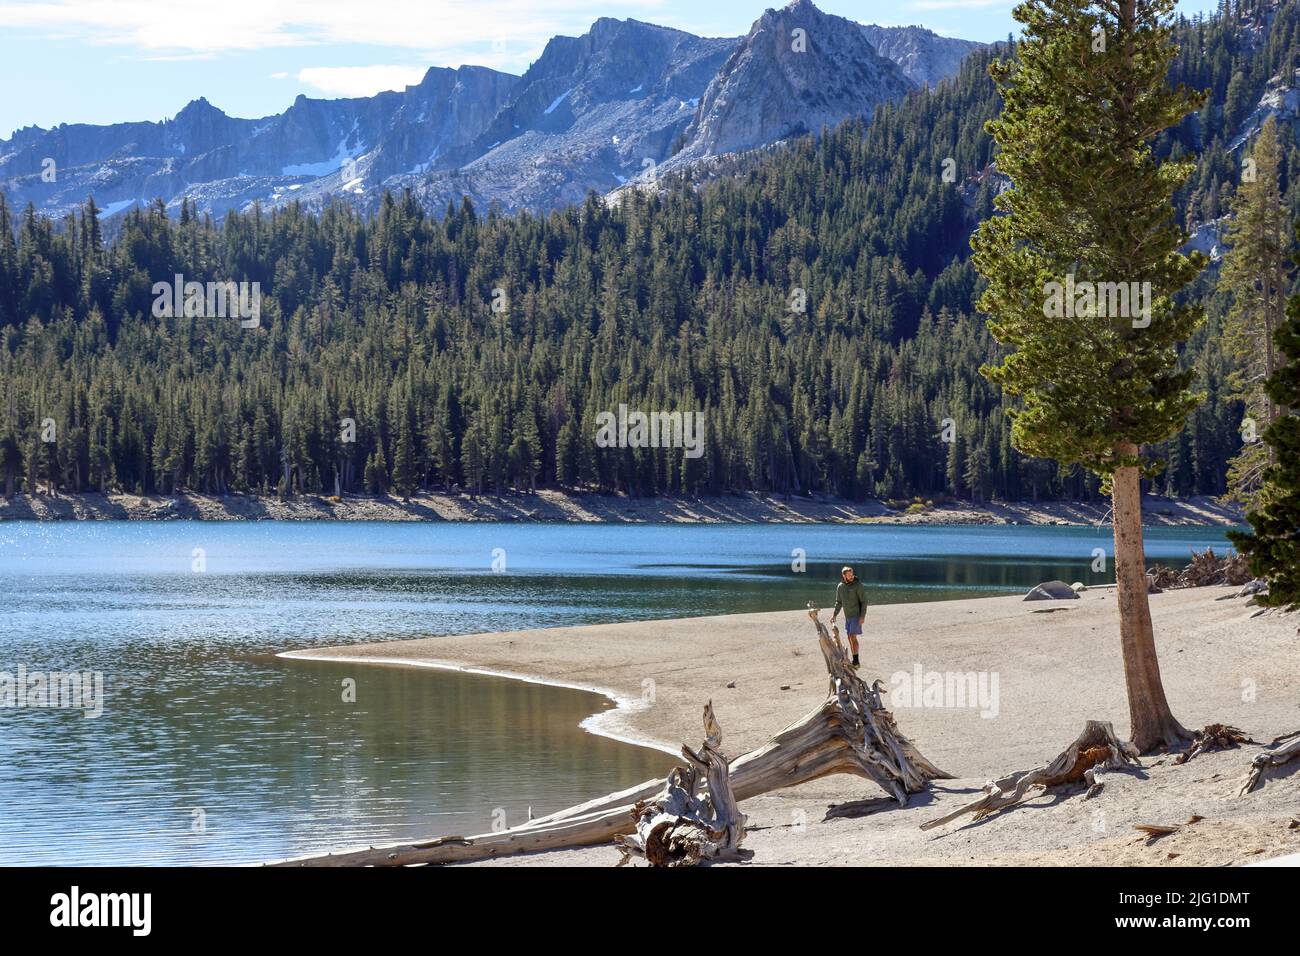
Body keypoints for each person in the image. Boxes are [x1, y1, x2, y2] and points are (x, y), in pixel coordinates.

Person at [831, 566, 868, 668]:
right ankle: (854, 660)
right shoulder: (840, 586)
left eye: (852, 574)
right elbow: (839, 602)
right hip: (847, 616)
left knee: (852, 636)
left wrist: (862, 616)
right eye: (849, 575)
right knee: (849, 637)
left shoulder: (858, 585)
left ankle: (856, 661)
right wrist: (834, 614)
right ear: (844, 576)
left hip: (856, 615)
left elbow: (864, 602)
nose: (851, 576)